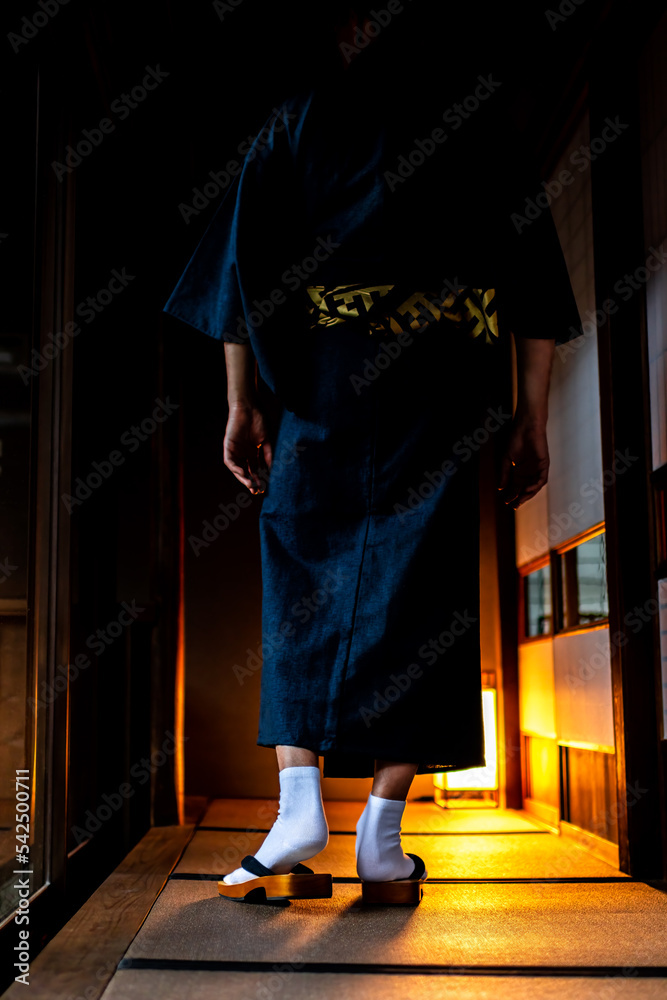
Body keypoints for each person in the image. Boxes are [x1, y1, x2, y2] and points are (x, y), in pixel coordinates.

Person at [163, 4, 582, 904]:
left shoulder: (297, 122)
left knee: (302, 570)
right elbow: (535, 291)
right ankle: (382, 844)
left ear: (350, 31)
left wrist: (240, 404)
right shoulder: (484, 128)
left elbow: (239, 274)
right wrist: (529, 417)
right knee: (422, 589)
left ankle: (297, 808)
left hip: (325, 381)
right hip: (442, 381)